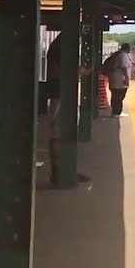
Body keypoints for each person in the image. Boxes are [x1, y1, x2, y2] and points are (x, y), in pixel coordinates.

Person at [41, 35, 92, 186]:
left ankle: (63, 170)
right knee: (58, 133)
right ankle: (59, 173)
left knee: (61, 132)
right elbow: (61, 69)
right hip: (59, 94)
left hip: (59, 93)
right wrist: (80, 71)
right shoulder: (61, 46)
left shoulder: (57, 45)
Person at [101, 43, 132, 117]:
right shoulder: (123, 55)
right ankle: (117, 112)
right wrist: (127, 78)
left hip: (113, 78)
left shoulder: (116, 54)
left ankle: (115, 112)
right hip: (120, 79)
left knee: (115, 95)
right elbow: (124, 67)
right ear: (128, 49)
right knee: (119, 96)